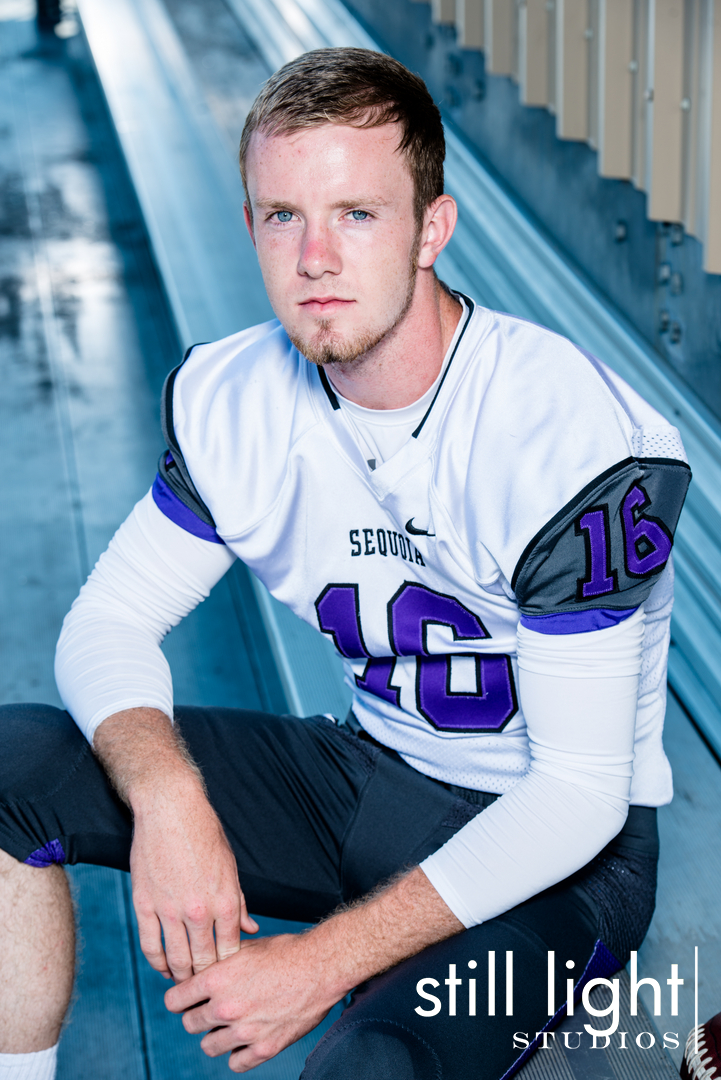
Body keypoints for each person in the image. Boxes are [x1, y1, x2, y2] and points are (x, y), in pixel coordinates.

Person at [0, 47, 691, 1080]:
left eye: (356, 214)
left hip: (563, 867)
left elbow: (580, 796)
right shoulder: (232, 397)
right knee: (13, 771)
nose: (315, 256)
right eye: (284, 215)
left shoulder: (570, 441)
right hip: (371, 784)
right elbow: (106, 625)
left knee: (369, 1069)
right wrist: (170, 799)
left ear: (432, 229)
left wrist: (317, 964)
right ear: (251, 228)